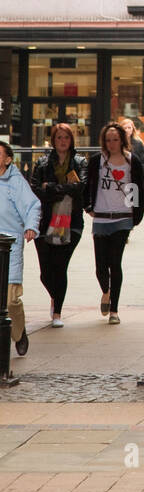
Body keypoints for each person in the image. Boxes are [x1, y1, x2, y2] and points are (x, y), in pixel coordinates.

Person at [84, 122, 144, 324]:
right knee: (100, 266)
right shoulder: (97, 161)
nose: (112, 144)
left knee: (115, 263)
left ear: (122, 140)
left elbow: (137, 188)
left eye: (115, 139)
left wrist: (135, 216)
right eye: (108, 140)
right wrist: (89, 206)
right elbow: (88, 184)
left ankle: (114, 310)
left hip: (122, 218)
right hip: (101, 217)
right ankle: (106, 291)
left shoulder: (131, 161)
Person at [31, 122, 89, 327]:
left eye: (66, 137)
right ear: (53, 140)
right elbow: (37, 189)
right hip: (45, 221)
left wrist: (52, 188)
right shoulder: (43, 162)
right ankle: (55, 296)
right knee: (45, 272)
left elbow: (79, 188)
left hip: (71, 222)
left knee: (60, 266)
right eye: (59, 138)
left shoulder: (80, 162)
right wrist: (63, 188)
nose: (62, 141)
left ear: (71, 140)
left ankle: (57, 312)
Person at [0, 141, 41, 355]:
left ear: (8, 160)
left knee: (10, 298)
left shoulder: (16, 182)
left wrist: (31, 227)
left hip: (9, 244)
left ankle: (19, 331)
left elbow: (32, 205)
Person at [118, 116, 144, 181]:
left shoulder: (138, 143)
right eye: (125, 128)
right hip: (120, 172)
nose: (127, 130)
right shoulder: (117, 142)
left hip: (134, 174)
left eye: (129, 128)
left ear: (132, 129)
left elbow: (143, 160)